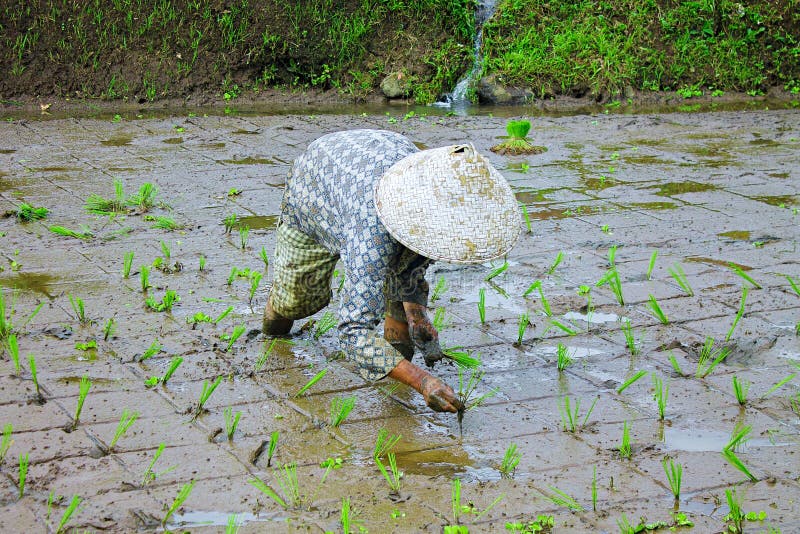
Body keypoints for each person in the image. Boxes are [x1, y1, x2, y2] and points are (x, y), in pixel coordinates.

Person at [262, 129, 520, 413]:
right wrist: (423, 381)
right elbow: (352, 331)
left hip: (369, 169)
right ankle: (272, 333)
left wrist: (417, 316)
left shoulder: (429, 199)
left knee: (400, 291)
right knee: (297, 299)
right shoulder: (370, 233)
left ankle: (395, 401)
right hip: (316, 185)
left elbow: (409, 268)